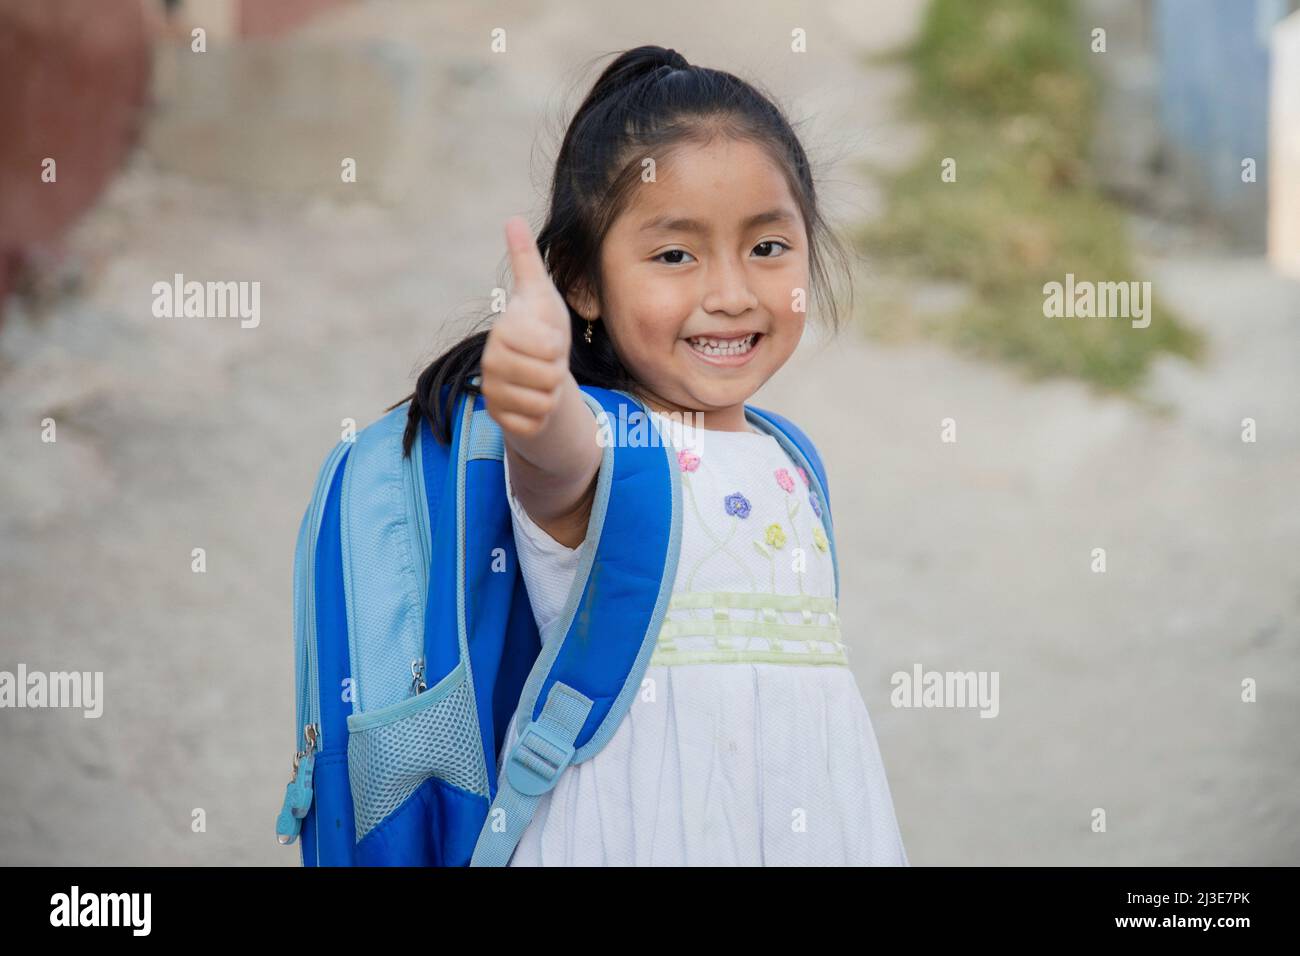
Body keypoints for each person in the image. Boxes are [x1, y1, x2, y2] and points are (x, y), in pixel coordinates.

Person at [389, 45, 908, 866]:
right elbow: (554, 458)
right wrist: (536, 390)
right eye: (675, 255)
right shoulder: (606, 445)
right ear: (583, 284)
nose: (732, 292)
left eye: (768, 248)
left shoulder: (792, 458)